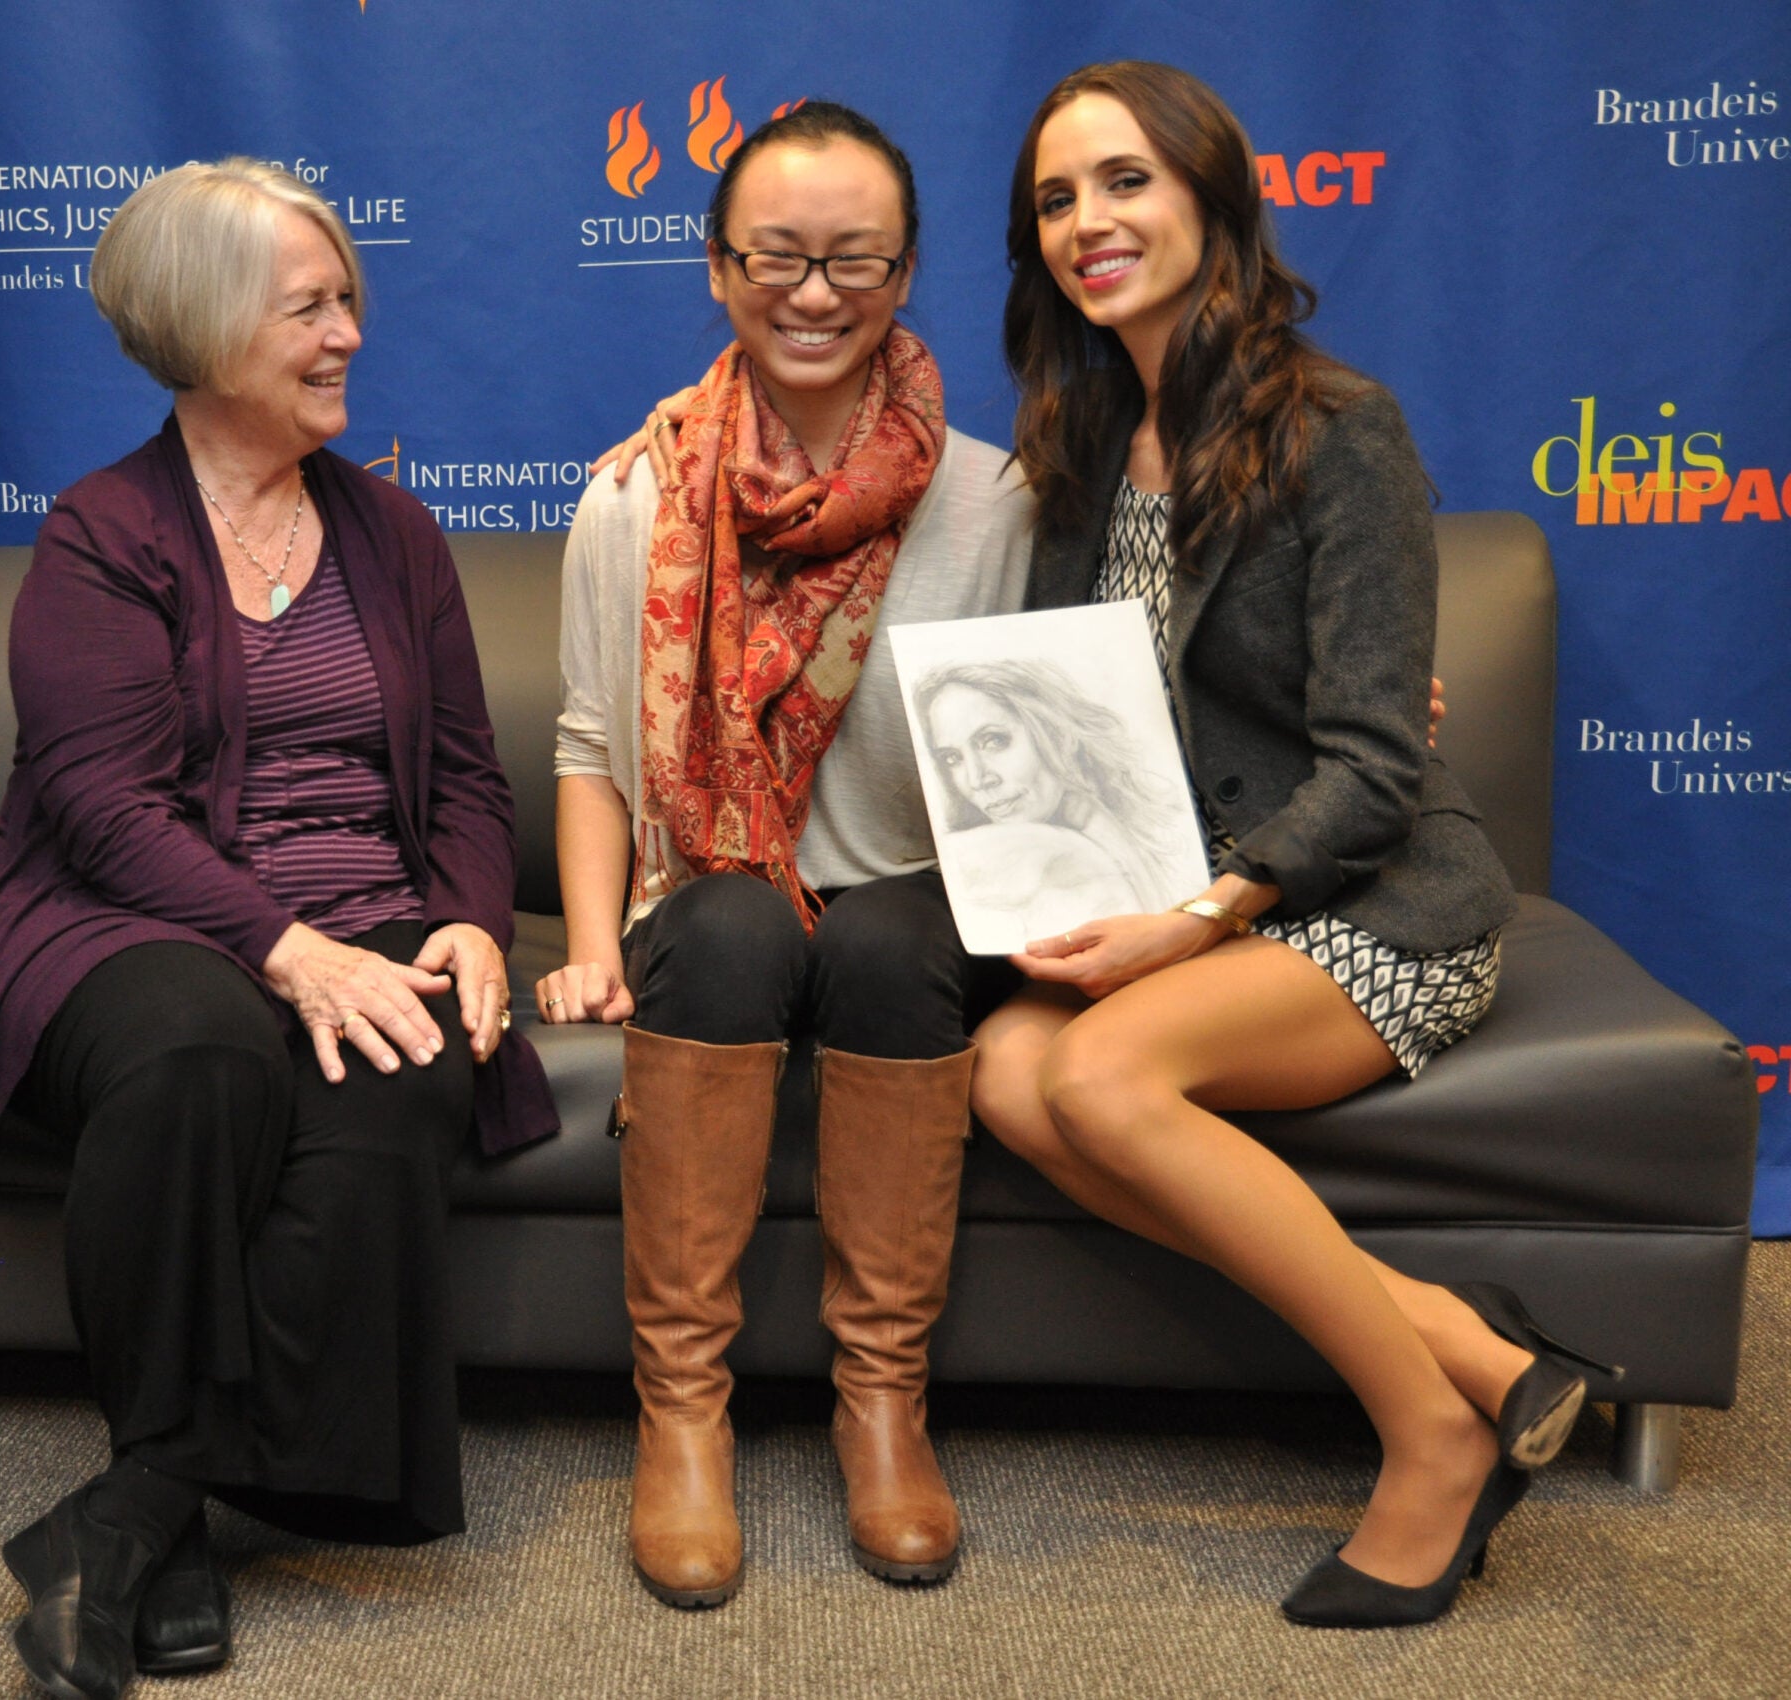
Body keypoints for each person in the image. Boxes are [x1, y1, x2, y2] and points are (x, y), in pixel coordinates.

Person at [0, 158, 554, 1700]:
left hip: (366, 915)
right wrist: (282, 947)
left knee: (397, 1084)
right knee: (198, 1053)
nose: (347, 338)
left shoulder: (394, 534)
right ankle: (170, 1505)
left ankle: (137, 1516)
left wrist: (463, 926)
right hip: (114, 915)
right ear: (202, 329)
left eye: (347, 303)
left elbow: (460, 774)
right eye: (310, 308)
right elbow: (103, 809)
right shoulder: (102, 536)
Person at [971, 61, 1613, 1629]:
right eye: (1057, 197)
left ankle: (1430, 1440)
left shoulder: (1342, 428)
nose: (1088, 221)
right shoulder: (1074, 440)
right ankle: (1463, 1340)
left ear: (1211, 195)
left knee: (1102, 1076)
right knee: (1003, 1073)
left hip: (1371, 901)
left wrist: (1191, 921)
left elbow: (1382, 769)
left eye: (1124, 180)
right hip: (1198, 901)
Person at [538, 102, 1034, 1607]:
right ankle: (682, 1413)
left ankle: (883, 1403)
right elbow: (583, 746)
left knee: (887, 937)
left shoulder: (995, 499)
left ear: (903, 274)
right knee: (740, 927)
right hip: (714, 906)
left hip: (906, 907)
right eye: (778, 257)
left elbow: (1051, 734)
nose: (814, 294)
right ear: (716, 268)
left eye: (854, 262)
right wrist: (580, 945)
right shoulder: (636, 494)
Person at [910, 656, 1193, 921]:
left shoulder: (1128, 827)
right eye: (952, 758)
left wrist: (1096, 820)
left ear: (1058, 735)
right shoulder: (979, 854)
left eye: (993, 741)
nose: (977, 779)